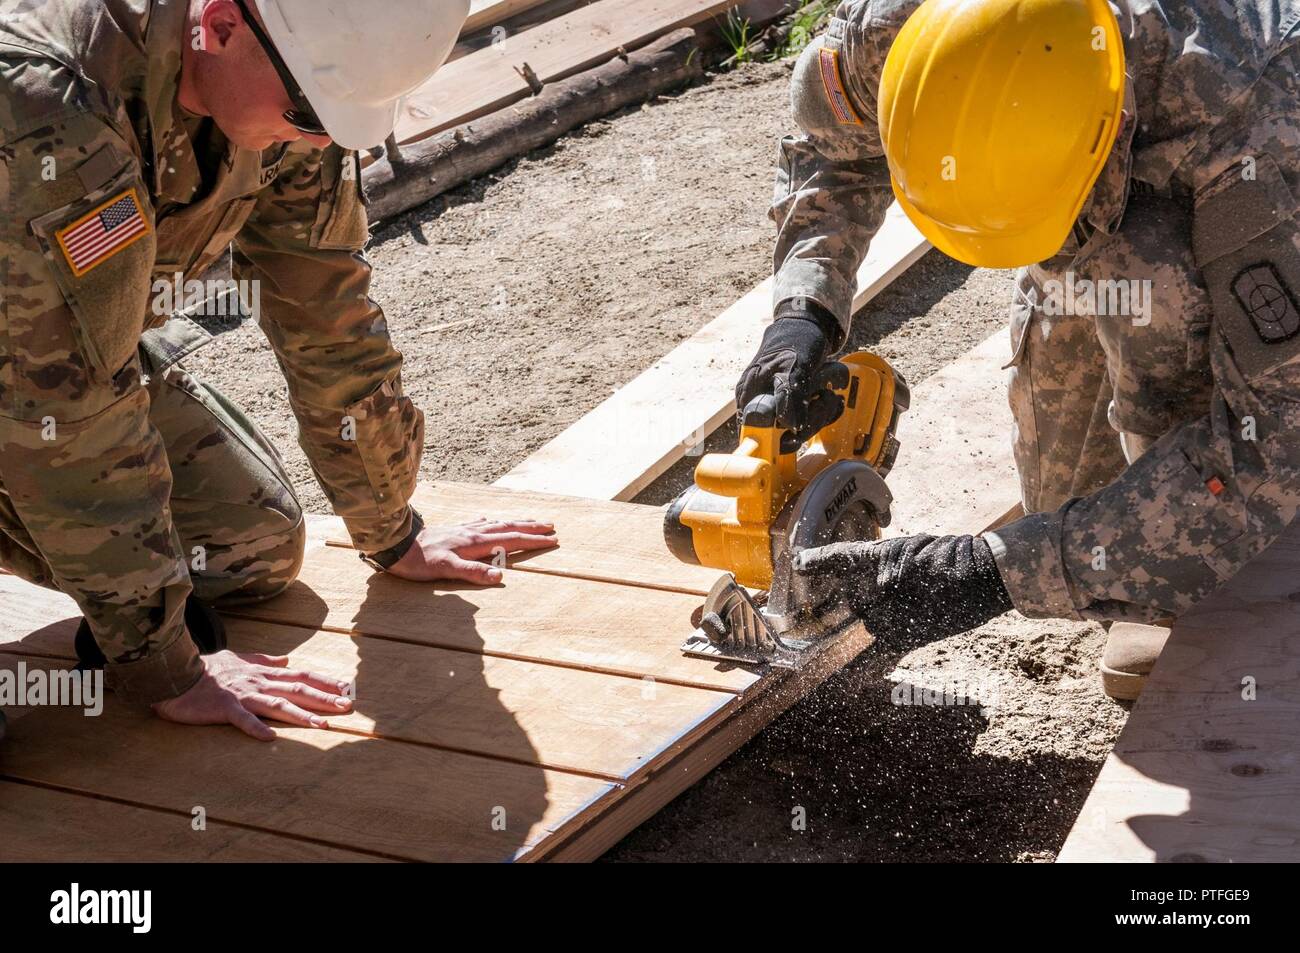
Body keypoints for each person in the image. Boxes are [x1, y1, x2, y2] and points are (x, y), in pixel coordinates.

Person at [0, 0, 558, 739]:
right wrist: (171, 663)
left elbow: (323, 305)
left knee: (246, 547)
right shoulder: (50, 105)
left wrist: (392, 526)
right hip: (46, 383)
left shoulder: (293, 84)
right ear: (223, 22)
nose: (318, 137)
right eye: (308, 111)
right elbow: (70, 413)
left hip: (44, 359)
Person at [736, 0, 1300, 698]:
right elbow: (833, 147)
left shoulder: (1257, 121)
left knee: (1148, 281)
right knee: (1063, 498)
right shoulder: (912, 31)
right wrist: (805, 308)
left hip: (1243, 196)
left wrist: (992, 570)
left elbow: (1276, 437)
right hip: (1113, 164)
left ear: (1101, 130)